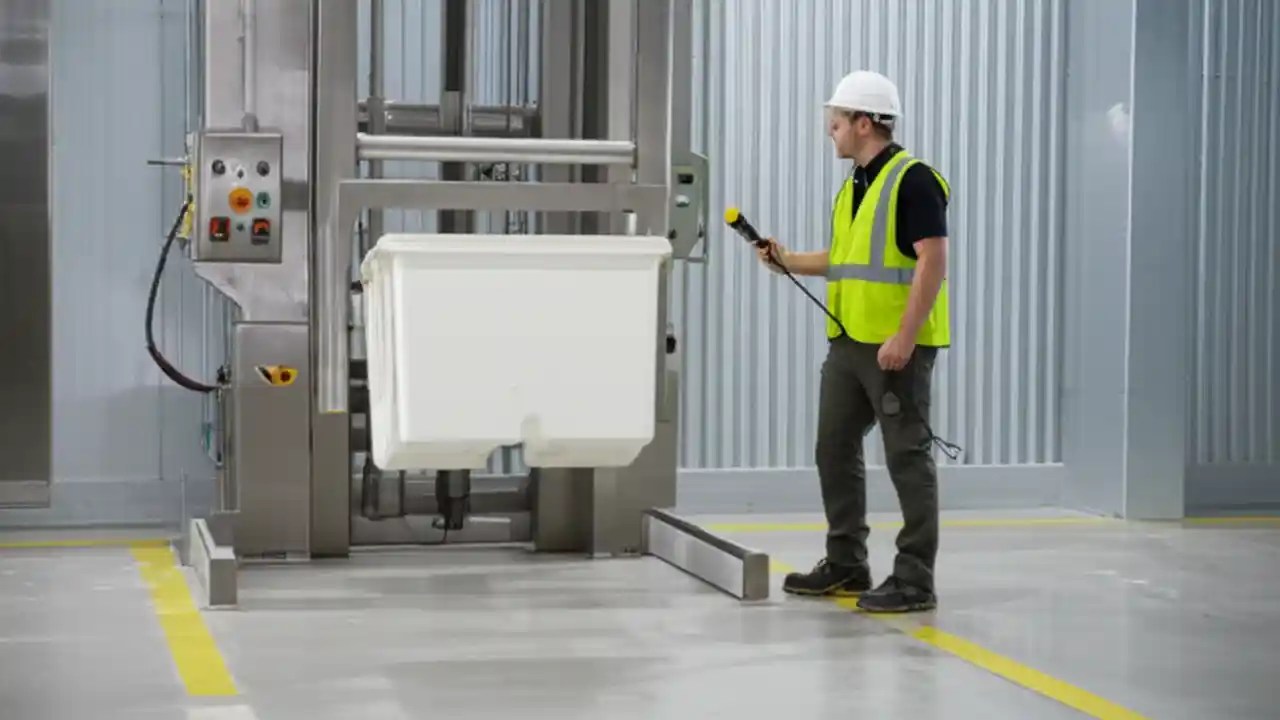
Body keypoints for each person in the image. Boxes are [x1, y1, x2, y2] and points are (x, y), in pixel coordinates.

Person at [757, 70, 953, 613]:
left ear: (864, 123)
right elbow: (846, 261)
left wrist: (906, 338)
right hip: (848, 345)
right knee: (833, 448)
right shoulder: (855, 186)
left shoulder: (913, 180)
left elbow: (932, 261)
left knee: (906, 458)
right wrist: (788, 259)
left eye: (836, 122)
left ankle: (915, 579)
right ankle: (847, 564)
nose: (831, 132)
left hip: (894, 347)